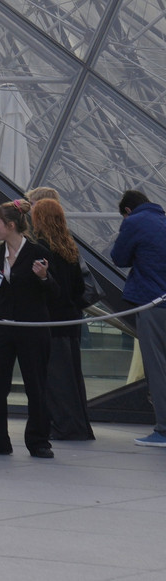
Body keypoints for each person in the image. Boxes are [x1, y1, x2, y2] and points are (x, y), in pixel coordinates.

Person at [0, 201, 55, 458]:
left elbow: (56, 294)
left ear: (10, 225)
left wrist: (44, 277)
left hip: (32, 328)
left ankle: (39, 441)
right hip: (2, 327)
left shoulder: (38, 252)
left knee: (36, 384)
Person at [29, 194, 95, 441]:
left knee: (55, 378)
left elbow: (46, 287)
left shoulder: (42, 248)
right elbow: (80, 287)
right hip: (70, 319)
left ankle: (66, 425)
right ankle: (78, 425)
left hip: (50, 320)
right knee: (72, 376)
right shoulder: (69, 246)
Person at [111, 189, 166, 448]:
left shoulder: (134, 222)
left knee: (157, 369)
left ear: (127, 211)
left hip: (153, 304)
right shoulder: (163, 220)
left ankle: (164, 429)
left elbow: (119, 257)